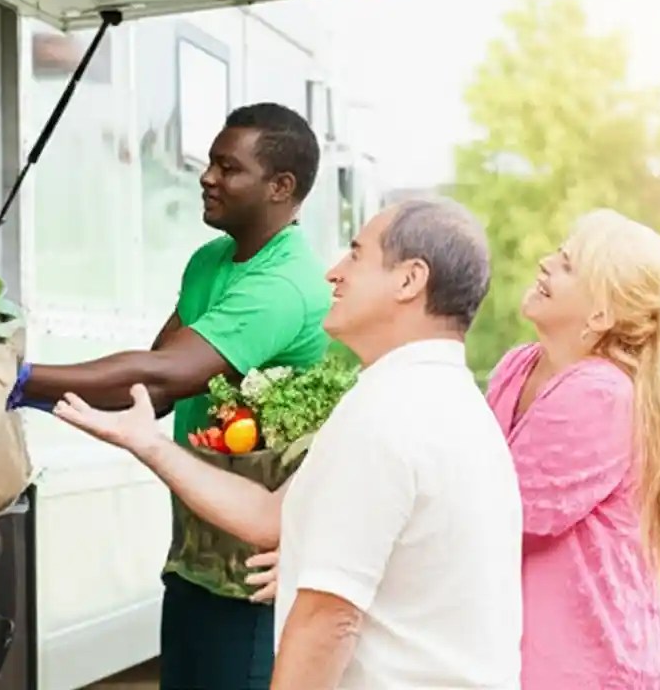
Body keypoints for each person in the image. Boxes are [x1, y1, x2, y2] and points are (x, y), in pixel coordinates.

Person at [54, 197, 525, 689]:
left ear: (409, 280)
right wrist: (147, 442)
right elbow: (270, 516)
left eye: (356, 255)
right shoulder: (447, 403)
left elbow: (328, 620)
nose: (333, 274)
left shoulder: (388, 415)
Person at [8, 102, 332, 689]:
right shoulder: (210, 261)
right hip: (198, 557)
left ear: (281, 187)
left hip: (252, 578)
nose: (207, 176)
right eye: (210, 161)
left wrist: (14, 375)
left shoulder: (283, 285)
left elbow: (161, 376)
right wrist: (15, 390)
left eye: (228, 167)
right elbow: (147, 396)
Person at [485, 208, 660, 689]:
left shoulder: (601, 394)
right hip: (530, 659)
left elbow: (501, 515)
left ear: (601, 314)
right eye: (558, 254)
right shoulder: (517, 366)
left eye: (569, 265)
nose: (547, 263)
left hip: (591, 667)